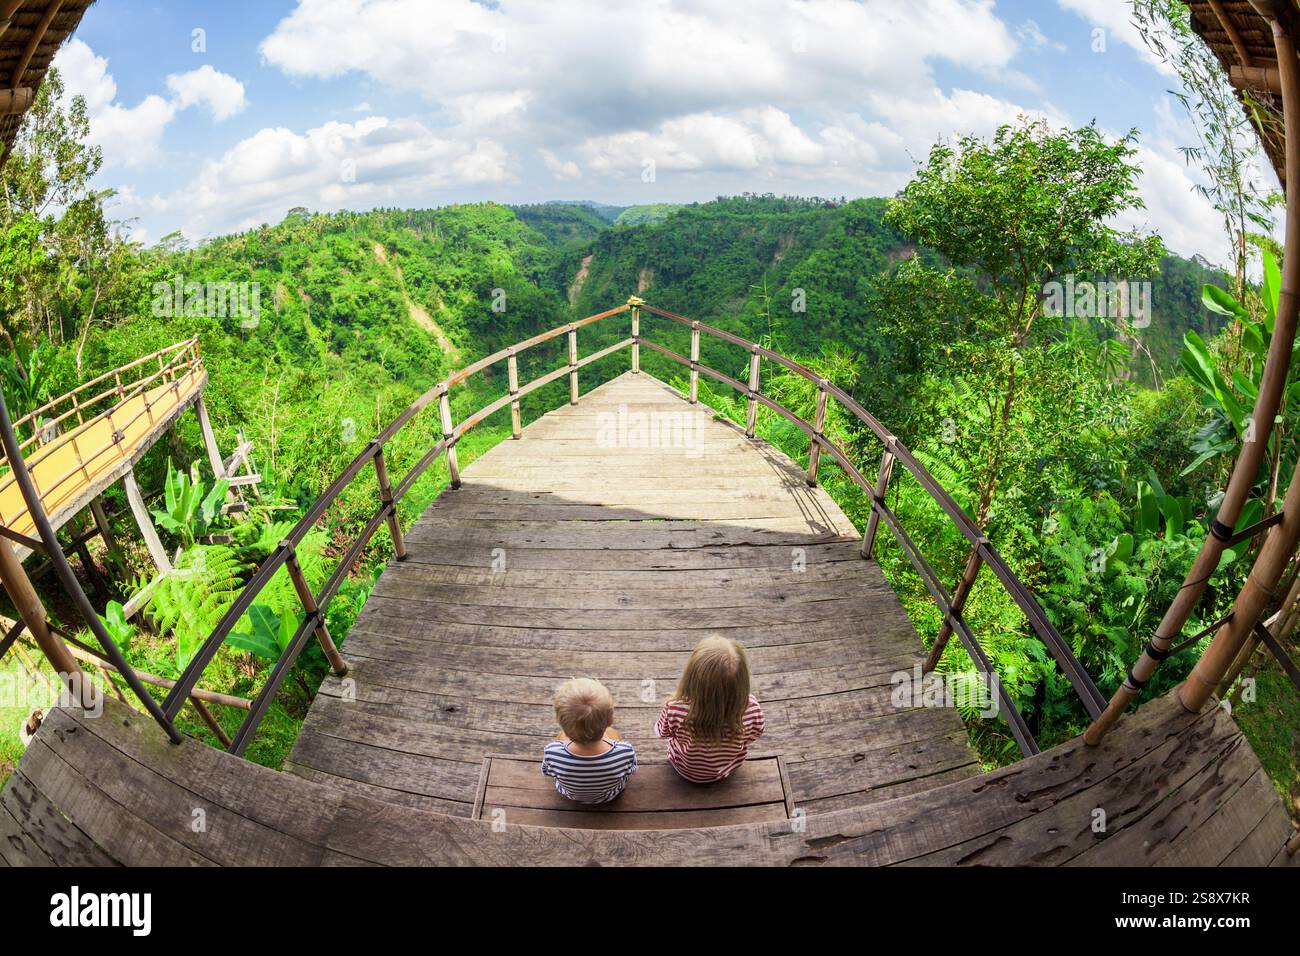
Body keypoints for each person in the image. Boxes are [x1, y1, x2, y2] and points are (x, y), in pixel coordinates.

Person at [656, 636, 765, 783]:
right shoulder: (751, 708)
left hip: (683, 768)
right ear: (743, 680)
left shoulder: (675, 708)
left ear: (691, 677)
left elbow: (662, 732)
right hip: (726, 768)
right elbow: (755, 734)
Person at [541, 677, 637, 803]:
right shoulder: (625, 751)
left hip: (571, 795)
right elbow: (632, 770)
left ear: (559, 721)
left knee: (560, 738)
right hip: (609, 795)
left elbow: (547, 772)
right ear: (610, 720)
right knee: (613, 735)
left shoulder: (552, 752)